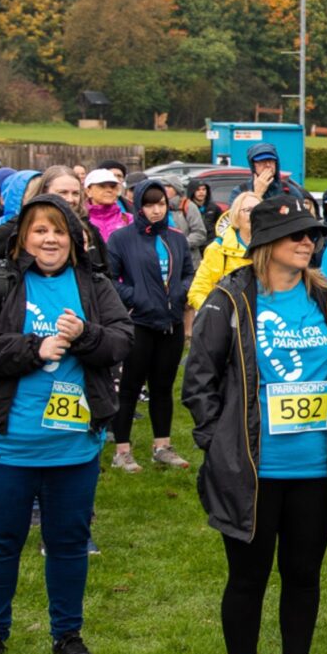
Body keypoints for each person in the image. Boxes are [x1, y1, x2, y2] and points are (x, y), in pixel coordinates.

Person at [184, 194, 327, 654]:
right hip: (253, 470)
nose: (308, 242)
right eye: (297, 236)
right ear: (266, 243)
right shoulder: (230, 298)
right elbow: (199, 380)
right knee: (248, 576)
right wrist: (216, 445)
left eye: (311, 235)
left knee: (303, 572)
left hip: (315, 468)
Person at [0, 197, 132, 654]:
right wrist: (34, 348)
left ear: (74, 237)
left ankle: (68, 636)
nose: (49, 239)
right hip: (2, 443)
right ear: (22, 239)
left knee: (69, 541)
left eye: (59, 231)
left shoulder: (93, 285)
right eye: (39, 231)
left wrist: (86, 335)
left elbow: (121, 340)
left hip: (73, 445)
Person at [107, 180, 193, 472]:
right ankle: (122, 451)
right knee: (129, 388)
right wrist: (136, 297)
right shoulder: (121, 239)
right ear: (139, 206)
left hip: (170, 323)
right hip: (138, 323)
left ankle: (162, 446)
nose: (156, 210)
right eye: (149, 204)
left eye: (161, 204)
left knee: (162, 387)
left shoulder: (177, 238)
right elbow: (110, 280)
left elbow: (189, 272)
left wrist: (181, 292)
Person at [186, 190, 258, 322]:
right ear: (236, 215)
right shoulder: (218, 249)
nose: (254, 214)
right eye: (248, 210)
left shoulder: (271, 248)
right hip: (229, 327)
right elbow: (197, 292)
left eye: (258, 210)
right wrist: (217, 314)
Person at [84, 168, 131, 241]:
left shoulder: (129, 219)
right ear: (88, 191)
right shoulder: (80, 221)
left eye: (113, 186)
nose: (109, 190)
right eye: (102, 186)